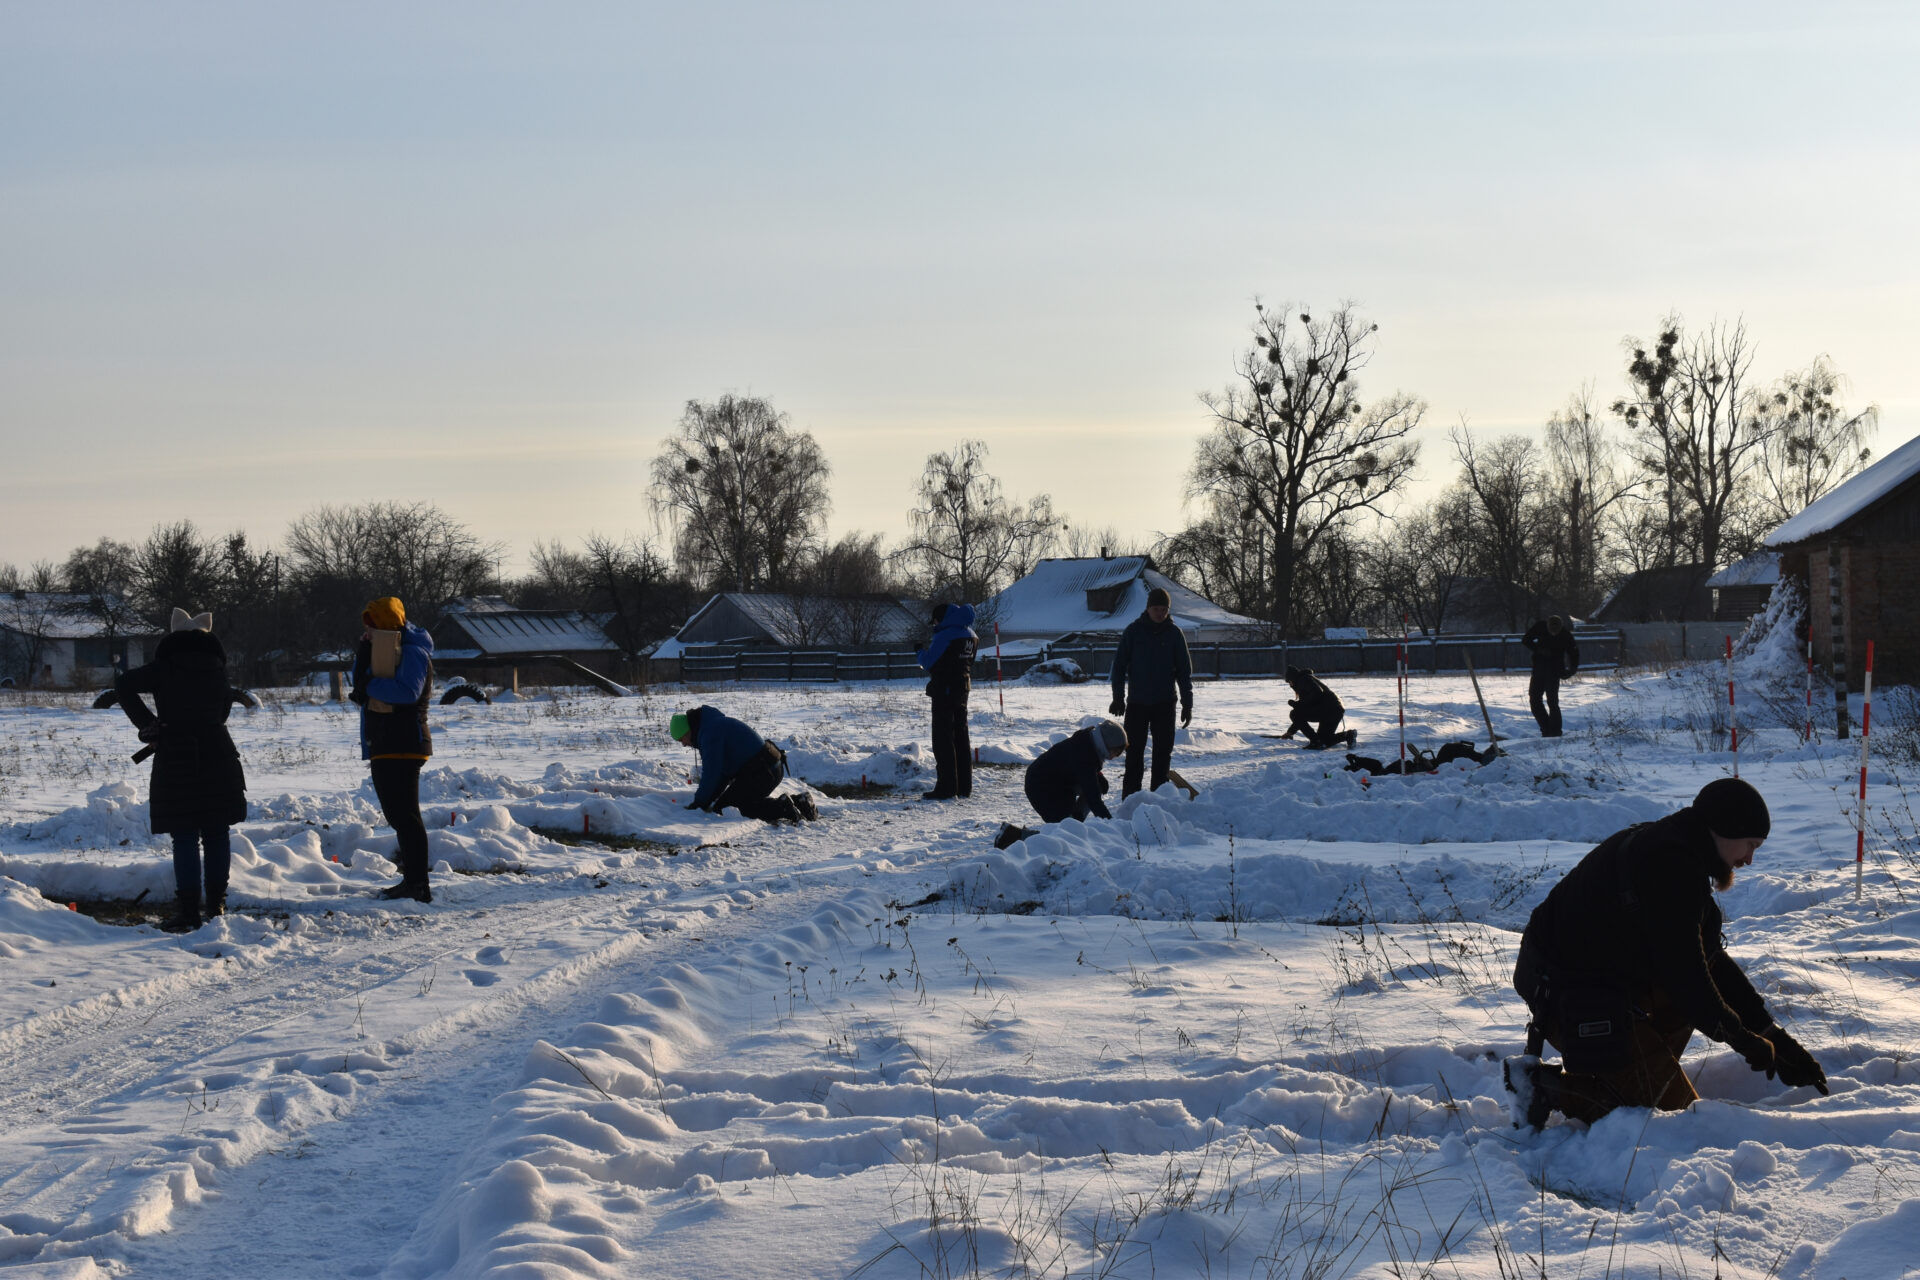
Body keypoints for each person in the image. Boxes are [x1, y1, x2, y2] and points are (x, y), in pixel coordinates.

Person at [1506, 777, 1829, 1129]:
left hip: (1598, 985)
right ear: (1724, 828)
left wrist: (1773, 1038)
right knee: (1667, 1121)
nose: (1749, 860)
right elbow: (1686, 977)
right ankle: (1543, 1089)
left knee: (1692, 1009)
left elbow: (1708, 964)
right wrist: (1741, 1039)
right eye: (1750, 845)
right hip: (1563, 988)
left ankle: (1631, 1074)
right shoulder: (1668, 866)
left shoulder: (1679, 851)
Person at [116, 609, 248, 932]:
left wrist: (149, 725)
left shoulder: (164, 668)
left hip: (176, 753)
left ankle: (188, 912)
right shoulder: (218, 669)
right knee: (217, 832)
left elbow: (123, 685)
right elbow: (224, 710)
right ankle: (216, 907)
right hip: (218, 751)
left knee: (185, 834)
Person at [351, 597, 436, 903]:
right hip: (387, 743)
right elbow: (359, 684)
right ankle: (411, 880)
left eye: (372, 627)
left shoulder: (413, 652)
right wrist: (364, 653)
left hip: (404, 742)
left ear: (386, 625)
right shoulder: (385, 651)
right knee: (399, 816)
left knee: (406, 816)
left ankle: (418, 884)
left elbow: (406, 692)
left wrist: (368, 685)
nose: (368, 633)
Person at [1109, 587, 1194, 798]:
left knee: (1162, 755)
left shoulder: (1174, 634)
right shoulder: (1133, 632)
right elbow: (1119, 666)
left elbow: (1184, 672)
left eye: (1164, 609)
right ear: (1148, 609)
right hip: (1137, 703)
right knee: (1134, 754)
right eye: (1156, 609)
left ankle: (1159, 798)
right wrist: (1118, 697)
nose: (1160, 613)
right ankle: (1130, 799)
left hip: (1165, 703)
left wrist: (1187, 703)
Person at [672, 706, 818, 823]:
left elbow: (712, 773)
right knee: (725, 806)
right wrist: (706, 801)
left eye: (682, 739)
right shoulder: (710, 727)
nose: (684, 744)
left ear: (688, 731)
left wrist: (699, 803)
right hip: (767, 766)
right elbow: (722, 774)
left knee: (730, 809)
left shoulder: (709, 734)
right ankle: (800, 802)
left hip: (764, 771)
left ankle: (784, 808)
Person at [917, 602, 977, 800]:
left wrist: (919, 651)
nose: (933, 624)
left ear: (941, 618)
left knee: (943, 740)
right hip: (963, 690)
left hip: (944, 691)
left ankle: (946, 787)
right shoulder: (971, 635)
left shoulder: (945, 635)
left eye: (935, 620)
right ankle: (964, 786)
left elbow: (929, 662)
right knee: (961, 737)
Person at [1024, 720, 1127, 824]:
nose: (1114, 757)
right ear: (1108, 744)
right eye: (1116, 753)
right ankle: (1017, 835)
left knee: (1099, 785)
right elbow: (1093, 798)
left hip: (1059, 783)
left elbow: (1083, 771)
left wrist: (1098, 776)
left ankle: (1076, 821)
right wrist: (1111, 825)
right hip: (1040, 787)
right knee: (1062, 830)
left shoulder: (1089, 742)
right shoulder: (1084, 755)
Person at [1521, 615, 1579, 737]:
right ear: (1547, 626)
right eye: (1551, 631)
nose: (1553, 633)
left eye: (1556, 632)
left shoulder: (1565, 635)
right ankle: (1546, 728)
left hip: (1555, 670)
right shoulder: (1540, 627)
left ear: (1560, 628)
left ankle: (1555, 732)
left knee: (1552, 701)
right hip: (1539, 668)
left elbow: (1573, 652)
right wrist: (1538, 649)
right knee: (1534, 699)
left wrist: (1572, 669)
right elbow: (1526, 640)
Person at [1280, 667, 1355, 749]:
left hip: (1329, 711)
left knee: (1294, 713)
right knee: (1324, 741)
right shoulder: (1307, 679)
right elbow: (1304, 710)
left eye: (1289, 681)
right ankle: (1347, 735)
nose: (1290, 685)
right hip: (1334, 711)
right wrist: (1290, 732)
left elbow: (1317, 693)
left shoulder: (1303, 680)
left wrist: (1298, 705)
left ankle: (1316, 742)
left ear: (1293, 678)